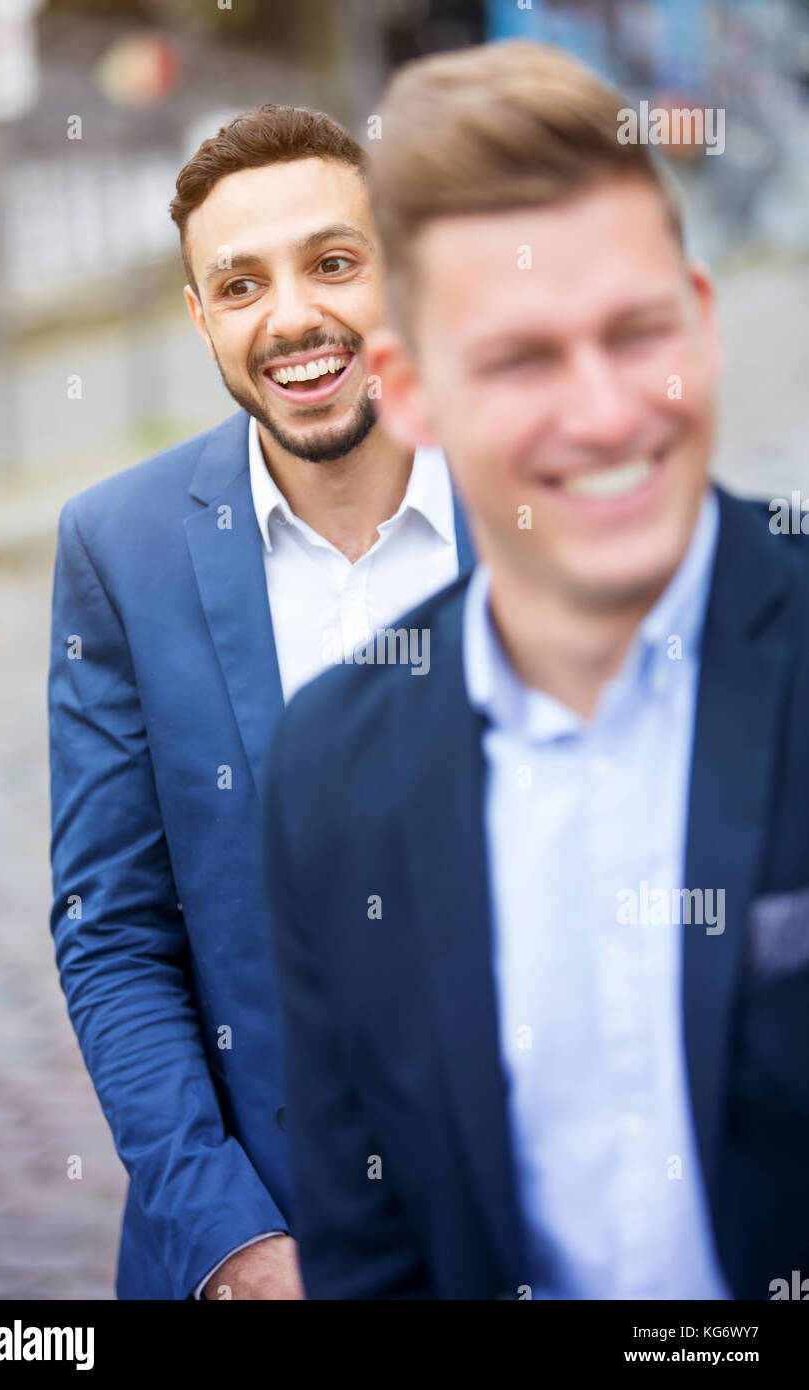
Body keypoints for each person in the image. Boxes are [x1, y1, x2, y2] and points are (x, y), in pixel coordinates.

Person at [263, 43, 809, 1300]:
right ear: (408, 394)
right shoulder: (330, 777)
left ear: (701, 319)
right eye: (522, 360)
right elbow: (372, 1253)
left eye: (635, 334)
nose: (609, 412)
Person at [47, 103, 473, 1301]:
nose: (292, 318)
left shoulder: (530, 500)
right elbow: (113, 933)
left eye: (333, 262)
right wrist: (231, 1241)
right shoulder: (117, 548)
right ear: (199, 318)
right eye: (239, 285)